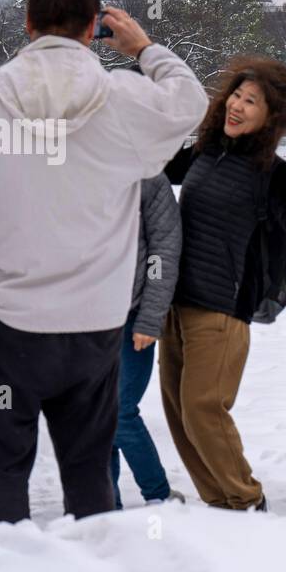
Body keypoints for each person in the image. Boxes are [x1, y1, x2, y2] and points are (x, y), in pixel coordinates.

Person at [0, 0, 208, 523]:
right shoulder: (121, 99)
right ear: (92, 28)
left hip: (7, 321)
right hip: (95, 322)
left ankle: (5, 562)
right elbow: (189, 102)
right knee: (88, 466)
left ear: (28, 23)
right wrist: (144, 48)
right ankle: (96, 567)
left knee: (1, 467)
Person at [159, 56, 286, 512]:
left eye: (252, 102)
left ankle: (247, 499)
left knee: (203, 408)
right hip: (177, 304)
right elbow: (156, 167)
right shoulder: (206, 152)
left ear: (270, 117)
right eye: (236, 95)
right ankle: (220, 505)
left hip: (222, 311)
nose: (237, 105)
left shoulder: (271, 172)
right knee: (179, 414)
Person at [110, 171, 185, 508]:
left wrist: (150, 317)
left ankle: (157, 493)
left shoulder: (147, 175)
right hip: (81, 320)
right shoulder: (72, 167)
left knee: (119, 411)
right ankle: (103, 501)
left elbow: (162, 252)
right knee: (94, 413)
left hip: (132, 317)